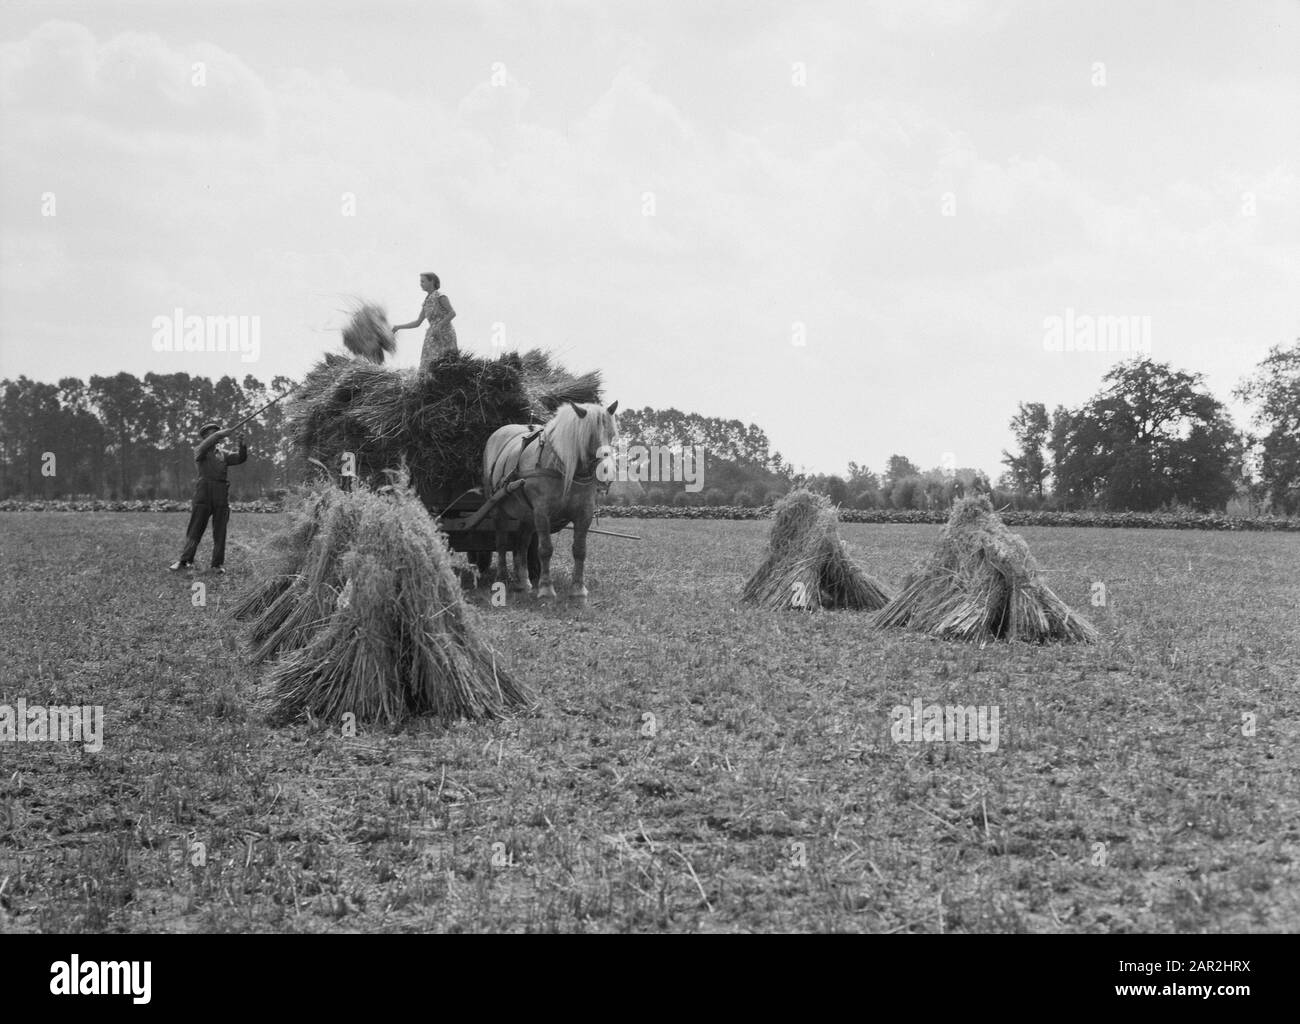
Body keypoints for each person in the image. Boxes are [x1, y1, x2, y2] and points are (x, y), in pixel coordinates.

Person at [168, 422, 248, 574]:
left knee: (220, 531)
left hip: (220, 494)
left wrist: (242, 445)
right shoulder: (200, 450)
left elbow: (240, 458)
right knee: (195, 528)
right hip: (203, 493)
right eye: (212, 433)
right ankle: (185, 561)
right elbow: (211, 441)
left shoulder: (223, 454)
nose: (216, 436)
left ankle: (217, 565)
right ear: (205, 437)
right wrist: (220, 434)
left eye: (217, 433)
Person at [393, 271, 458, 372]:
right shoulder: (426, 301)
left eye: (423, 281)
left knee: (445, 363)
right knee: (428, 365)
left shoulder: (441, 296)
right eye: (420, 281)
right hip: (431, 337)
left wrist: (439, 326)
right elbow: (417, 322)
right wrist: (398, 327)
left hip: (444, 334)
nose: (421, 284)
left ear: (431, 281)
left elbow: (452, 313)